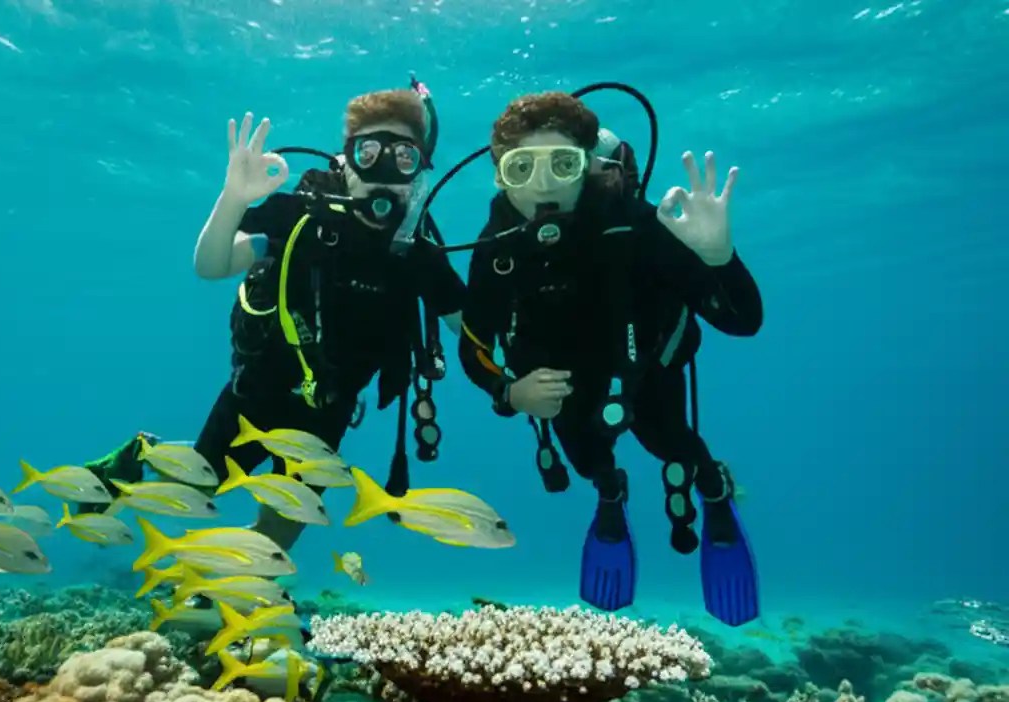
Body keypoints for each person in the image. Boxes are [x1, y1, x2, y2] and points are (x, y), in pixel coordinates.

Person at [80, 81, 466, 551]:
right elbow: (211, 265)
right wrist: (233, 198)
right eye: (370, 152)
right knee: (192, 489)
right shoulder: (304, 219)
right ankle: (142, 453)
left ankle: (218, 595)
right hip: (256, 392)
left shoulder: (419, 255)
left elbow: (471, 331)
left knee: (280, 536)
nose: (385, 170)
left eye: (403, 157)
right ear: (345, 161)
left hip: (329, 411)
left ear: (420, 172)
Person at [455, 90, 764, 626]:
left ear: (588, 167)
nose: (545, 183)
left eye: (563, 164)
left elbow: (742, 321)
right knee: (590, 463)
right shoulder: (498, 249)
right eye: (522, 167)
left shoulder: (639, 227)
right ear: (501, 176)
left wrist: (720, 259)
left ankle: (712, 490)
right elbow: (473, 345)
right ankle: (610, 494)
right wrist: (510, 391)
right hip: (564, 393)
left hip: (648, 375)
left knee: (675, 445)